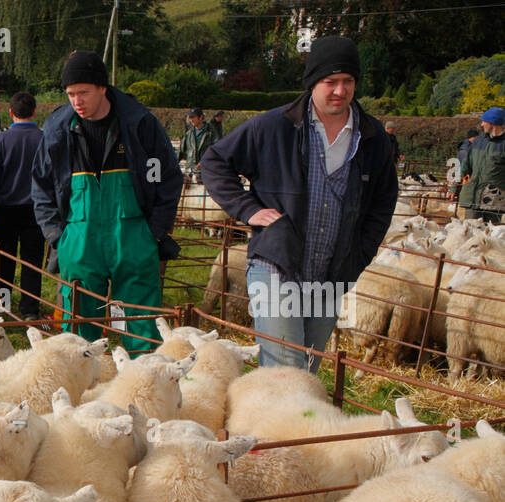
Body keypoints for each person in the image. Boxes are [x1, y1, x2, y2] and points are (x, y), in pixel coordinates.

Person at [201, 35, 398, 372]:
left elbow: (383, 202)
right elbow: (215, 161)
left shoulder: (373, 138)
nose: (339, 90)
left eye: (348, 81)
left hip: (331, 273)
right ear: (312, 83)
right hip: (277, 264)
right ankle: (269, 424)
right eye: (330, 81)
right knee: (285, 368)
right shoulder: (275, 126)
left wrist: (360, 253)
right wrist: (249, 210)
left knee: (308, 368)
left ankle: (287, 425)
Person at [30, 50, 182, 354]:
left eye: (83, 92)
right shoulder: (57, 130)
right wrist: (58, 237)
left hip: (134, 236)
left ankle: (142, 382)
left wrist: (155, 232)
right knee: (78, 325)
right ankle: (83, 390)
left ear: (103, 87)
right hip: (79, 238)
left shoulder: (140, 125)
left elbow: (168, 178)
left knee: (140, 318)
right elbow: (42, 186)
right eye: (71, 93)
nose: (76, 101)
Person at [0, 91, 45, 321]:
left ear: (10, 113)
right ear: (35, 111)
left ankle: (4, 304)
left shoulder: (1, 140)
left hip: (6, 208)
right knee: (32, 260)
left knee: (5, 257)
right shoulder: (43, 138)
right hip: (36, 208)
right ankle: (30, 309)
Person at [461, 107, 505, 222]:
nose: (481, 124)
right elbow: (465, 167)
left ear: (493, 123)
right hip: (472, 197)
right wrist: (453, 189)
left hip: (494, 200)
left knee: (491, 235)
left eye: (484, 121)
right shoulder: (478, 141)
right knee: (469, 231)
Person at [179, 107, 215, 180]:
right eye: (190, 117)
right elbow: (180, 151)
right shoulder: (188, 134)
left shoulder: (211, 133)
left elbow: (216, 151)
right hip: (190, 173)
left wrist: (203, 162)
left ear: (201, 117)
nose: (191, 120)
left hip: (206, 172)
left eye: (193, 117)